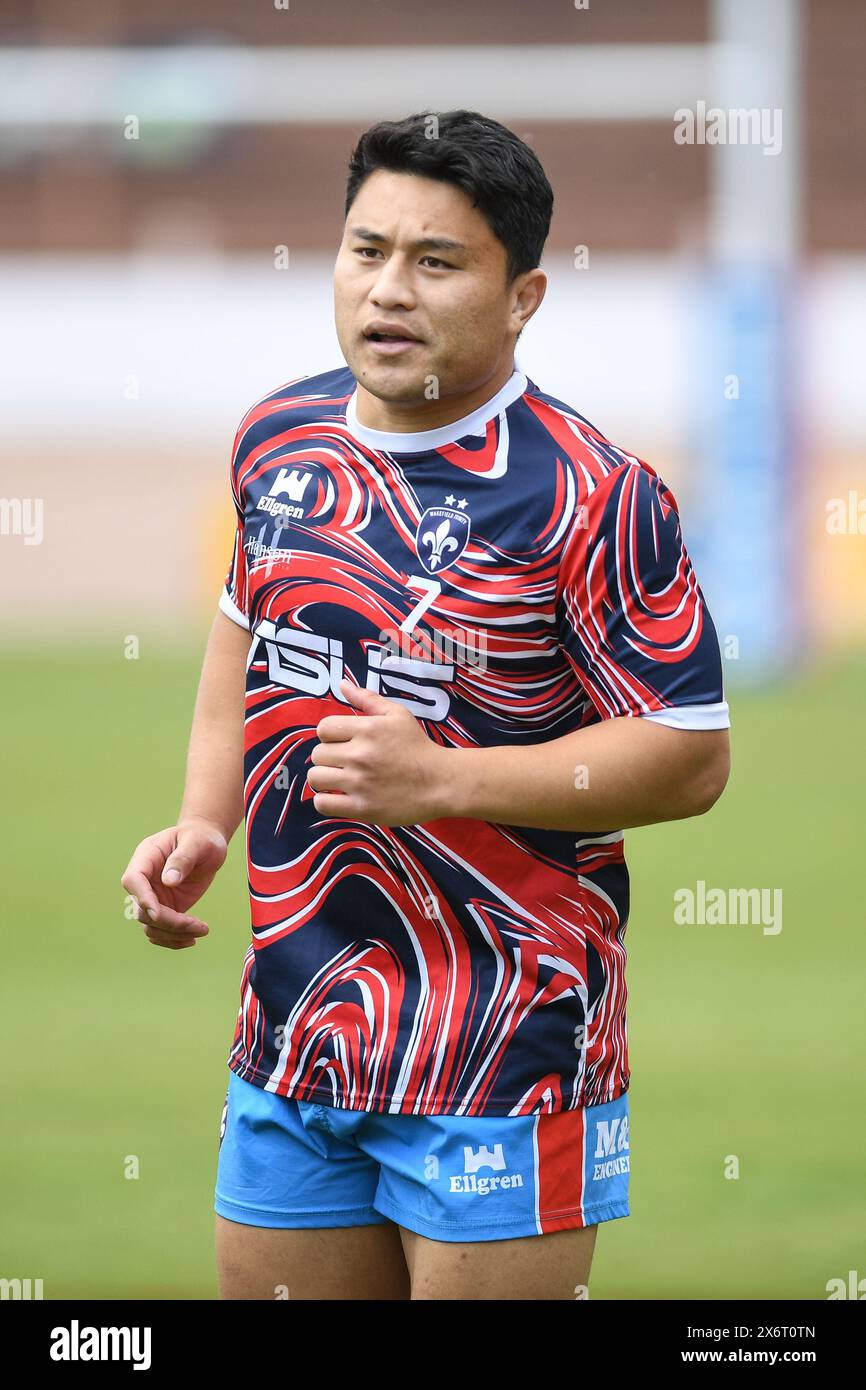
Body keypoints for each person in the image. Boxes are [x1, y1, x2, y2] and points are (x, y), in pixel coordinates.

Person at [120, 109, 731, 1301]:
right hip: (294, 1031)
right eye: (366, 251)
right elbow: (241, 638)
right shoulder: (278, 437)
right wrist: (206, 819)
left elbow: (689, 756)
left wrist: (440, 781)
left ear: (523, 297)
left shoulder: (591, 495)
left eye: (435, 261)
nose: (387, 290)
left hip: (505, 1047)